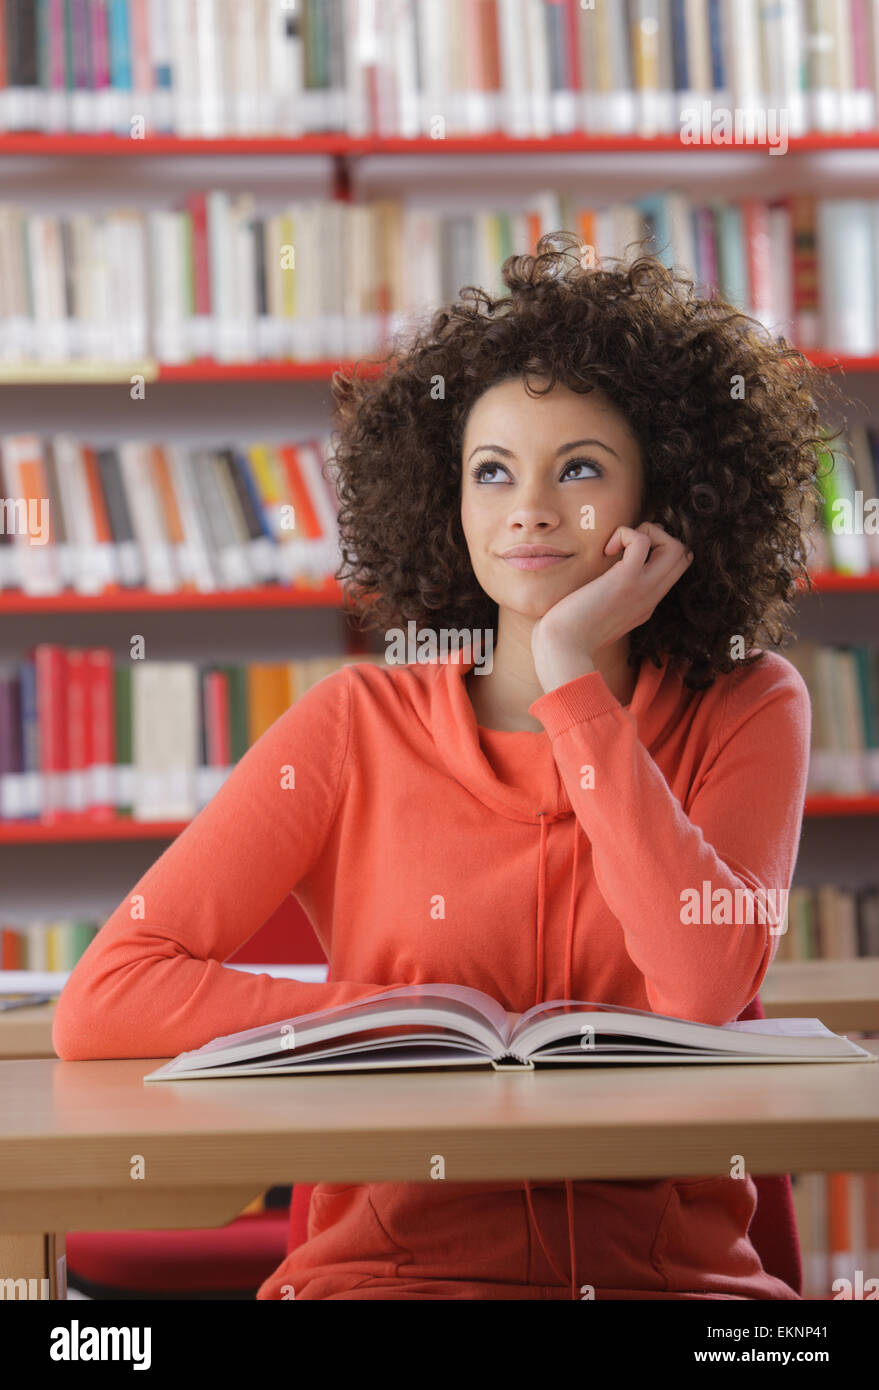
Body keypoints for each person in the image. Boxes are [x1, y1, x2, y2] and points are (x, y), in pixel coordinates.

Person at [53, 232, 847, 1299]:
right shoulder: (353, 723)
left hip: (677, 1291)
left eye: (579, 470)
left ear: (668, 497)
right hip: (389, 1281)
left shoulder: (749, 706)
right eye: (491, 471)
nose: (528, 507)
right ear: (447, 501)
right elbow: (107, 996)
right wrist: (392, 1023)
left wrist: (569, 674)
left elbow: (704, 987)